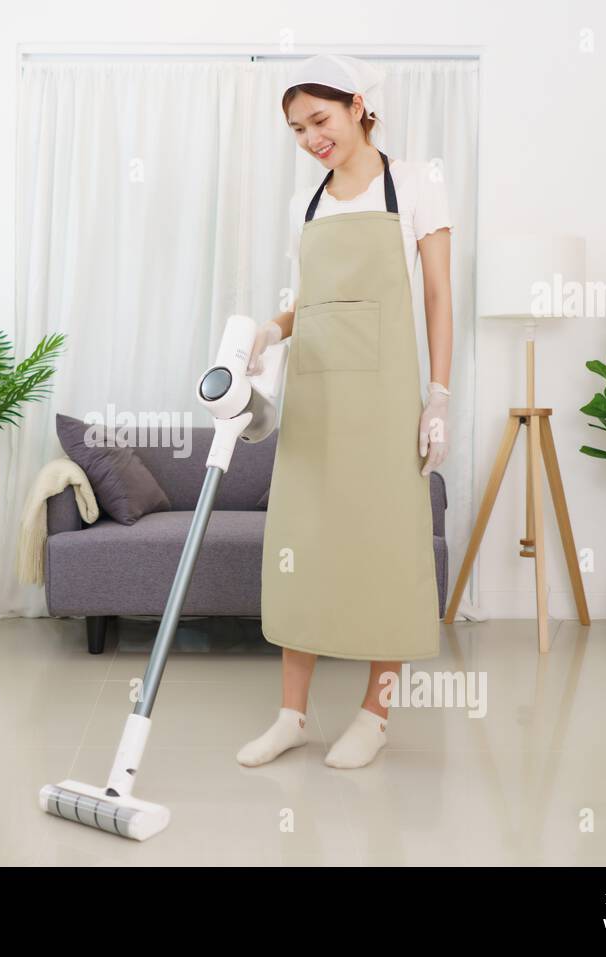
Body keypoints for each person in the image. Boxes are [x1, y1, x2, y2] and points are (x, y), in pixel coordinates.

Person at [238, 54, 453, 770]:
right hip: (317, 399)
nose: (310, 138)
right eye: (298, 129)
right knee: (304, 547)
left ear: (359, 105)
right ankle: (292, 715)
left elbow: (437, 298)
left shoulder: (417, 183)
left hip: (387, 398)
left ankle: (375, 712)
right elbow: (309, 305)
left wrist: (440, 396)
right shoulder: (310, 205)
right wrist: (272, 330)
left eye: (320, 120)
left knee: (386, 548)